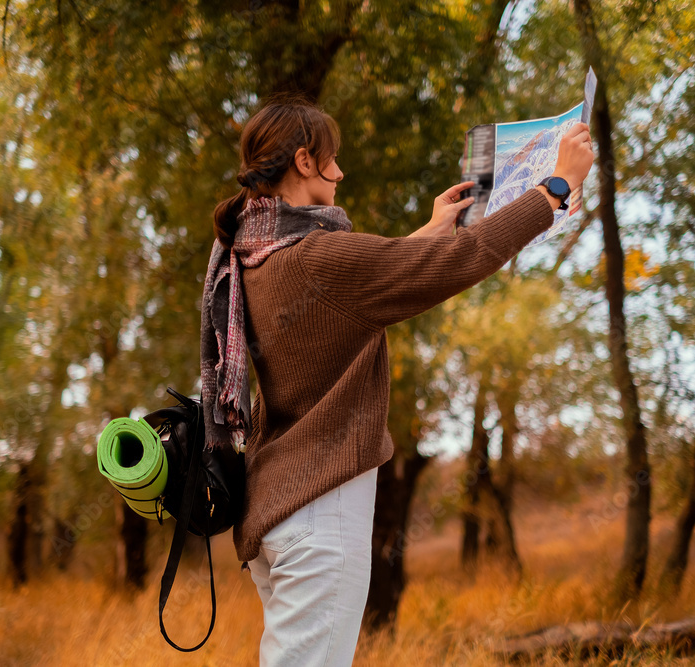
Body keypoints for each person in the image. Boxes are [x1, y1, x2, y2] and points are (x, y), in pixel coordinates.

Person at [201, 94, 593, 667]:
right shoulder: (317, 258)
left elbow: (359, 287)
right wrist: (553, 188)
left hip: (280, 510)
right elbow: (467, 256)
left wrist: (430, 232)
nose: (341, 172)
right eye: (332, 159)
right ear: (305, 161)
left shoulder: (251, 256)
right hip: (321, 513)